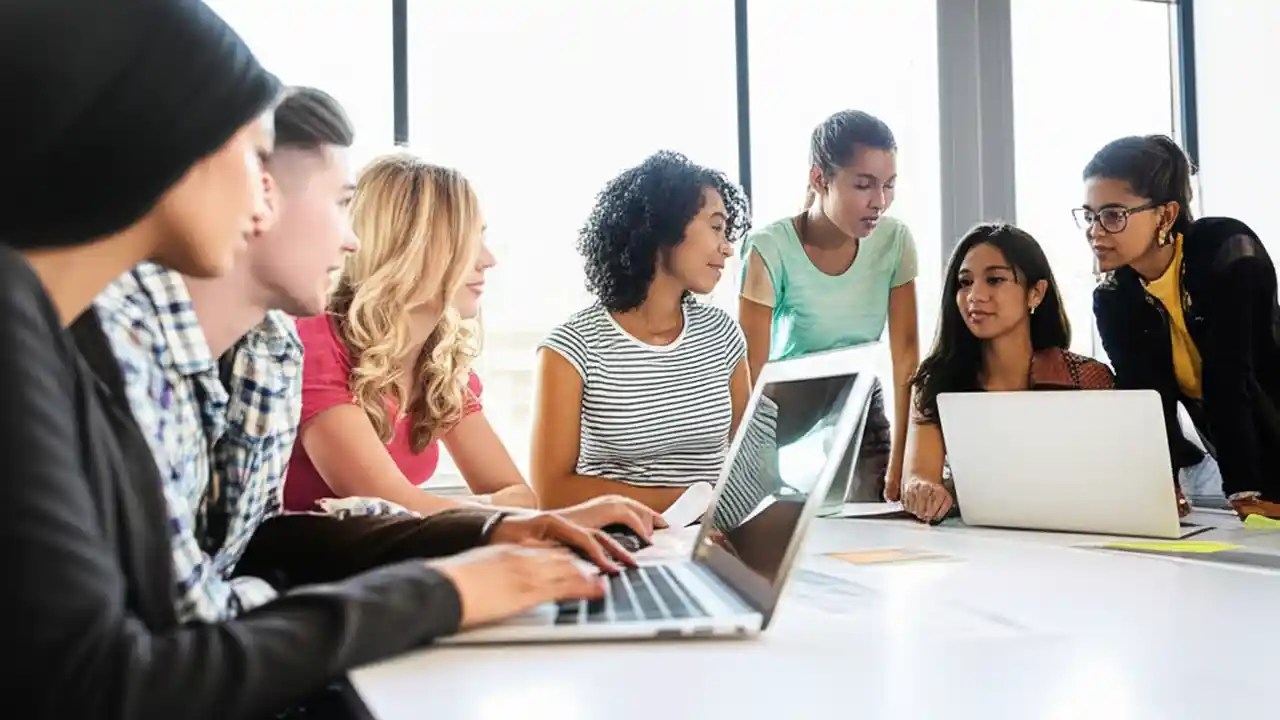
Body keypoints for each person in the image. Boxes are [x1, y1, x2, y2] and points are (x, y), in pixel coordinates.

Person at [1, 3, 610, 718]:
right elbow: (104, 681)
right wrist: (441, 593)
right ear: (170, 137)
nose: (264, 195)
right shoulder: (47, 334)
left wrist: (479, 535)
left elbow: (249, 546)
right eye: (254, 157)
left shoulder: (123, 336)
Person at [285, 153, 661, 533]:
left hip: (378, 558)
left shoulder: (438, 365)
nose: (489, 260)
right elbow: (390, 504)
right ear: (410, 248)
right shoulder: (316, 341)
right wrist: (485, 508)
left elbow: (520, 495)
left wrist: (454, 507)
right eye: (468, 242)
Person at [531, 150, 753, 513]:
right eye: (716, 227)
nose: (727, 248)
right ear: (664, 227)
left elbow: (751, 463)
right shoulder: (572, 347)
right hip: (618, 544)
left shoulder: (722, 335)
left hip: (711, 543)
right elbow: (551, 493)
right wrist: (696, 503)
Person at [1084, 134, 1280, 519]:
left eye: (1113, 215)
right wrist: (1160, 484)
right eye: (1090, 215)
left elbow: (1230, 374)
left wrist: (1242, 486)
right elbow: (1148, 398)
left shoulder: (1226, 249)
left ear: (1166, 215)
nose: (1095, 230)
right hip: (1247, 460)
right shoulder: (1113, 299)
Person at [737, 110, 919, 503]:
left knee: (862, 379)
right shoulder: (769, 248)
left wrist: (904, 462)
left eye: (889, 185)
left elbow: (906, 359)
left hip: (855, 402)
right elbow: (750, 375)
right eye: (864, 185)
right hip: (781, 410)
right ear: (819, 179)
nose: (880, 202)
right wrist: (751, 476)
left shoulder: (895, 241)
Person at [901, 224, 1120, 523]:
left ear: (1036, 293)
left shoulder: (1086, 378)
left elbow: (1112, 480)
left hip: (1074, 539)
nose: (974, 295)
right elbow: (918, 477)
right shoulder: (936, 381)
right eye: (964, 282)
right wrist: (923, 492)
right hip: (973, 545)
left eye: (995, 280)